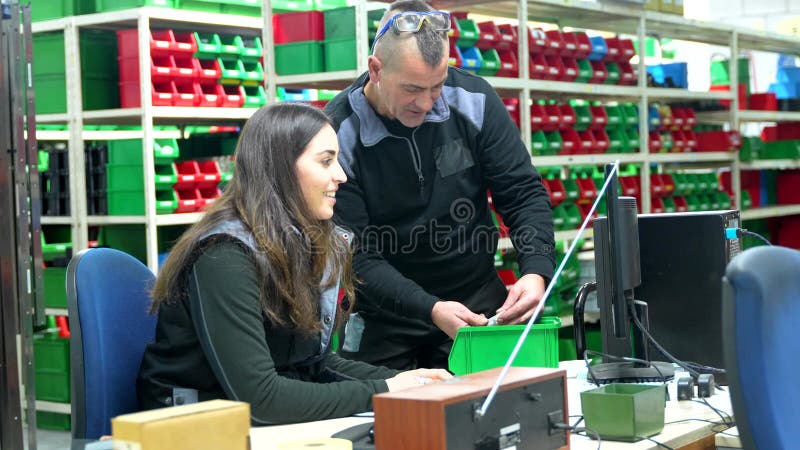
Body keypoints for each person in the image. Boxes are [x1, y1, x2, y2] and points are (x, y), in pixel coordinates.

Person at [136, 103, 451, 425]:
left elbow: (313, 362)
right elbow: (261, 399)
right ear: (281, 168)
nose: (341, 175)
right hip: (188, 426)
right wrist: (383, 389)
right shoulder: (225, 255)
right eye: (326, 161)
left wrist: (407, 382)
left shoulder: (303, 243)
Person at [325, 0, 555, 370]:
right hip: (384, 315)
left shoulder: (474, 100)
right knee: (380, 423)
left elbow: (523, 193)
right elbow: (357, 255)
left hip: (477, 303)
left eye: (437, 86)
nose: (427, 103)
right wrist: (430, 308)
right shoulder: (337, 132)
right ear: (376, 69)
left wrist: (536, 270)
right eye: (412, 89)